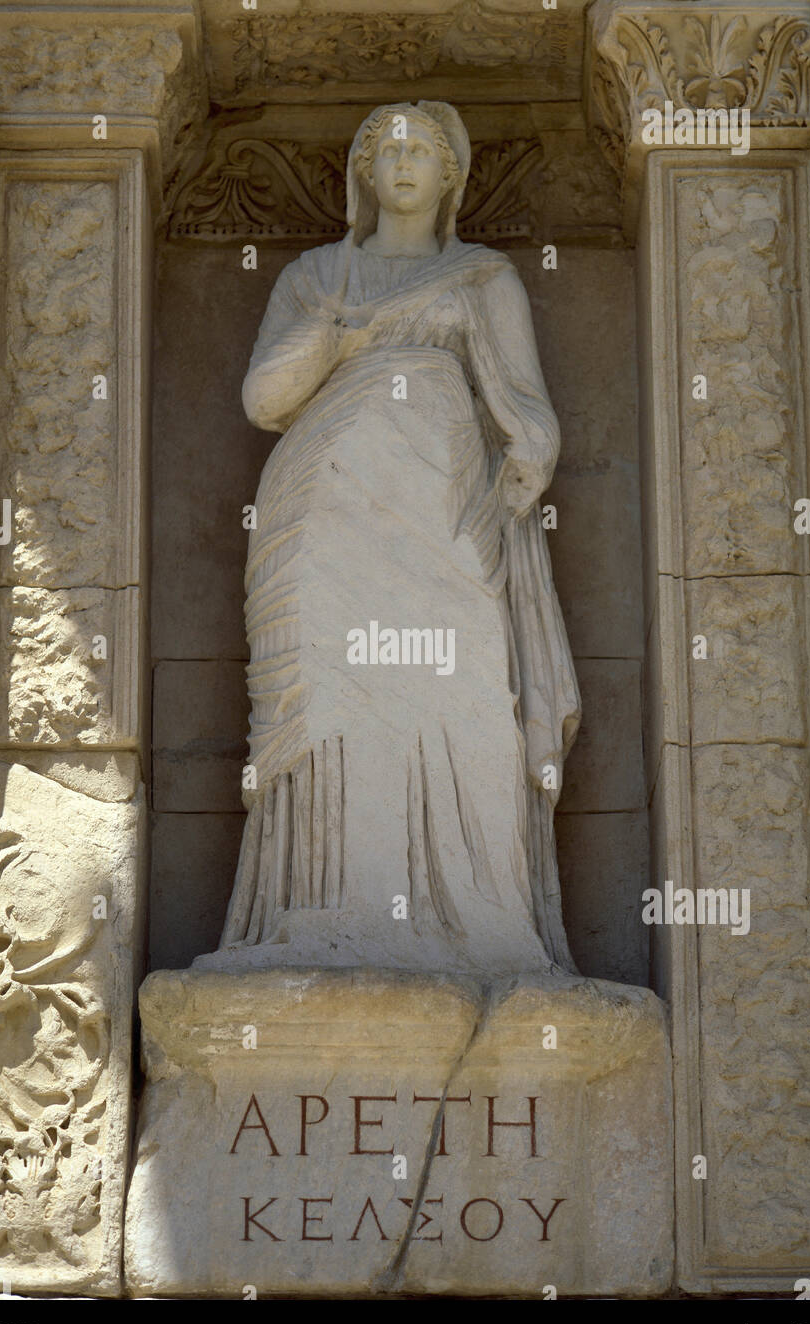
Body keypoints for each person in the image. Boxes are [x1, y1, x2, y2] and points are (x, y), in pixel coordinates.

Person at [197, 101, 580, 975]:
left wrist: (533, 456)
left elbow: (528, 407)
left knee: (467, 684)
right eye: (389, 149)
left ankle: (486, 922)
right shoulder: (316, 277)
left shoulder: (485, 282)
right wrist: (334, 337)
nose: (405, 162)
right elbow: (263, 401)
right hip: (323, 507)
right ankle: (322, 911)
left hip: (444, 500)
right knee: (334, 691)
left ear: (453, 176)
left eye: (424, 150)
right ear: (363, 174)